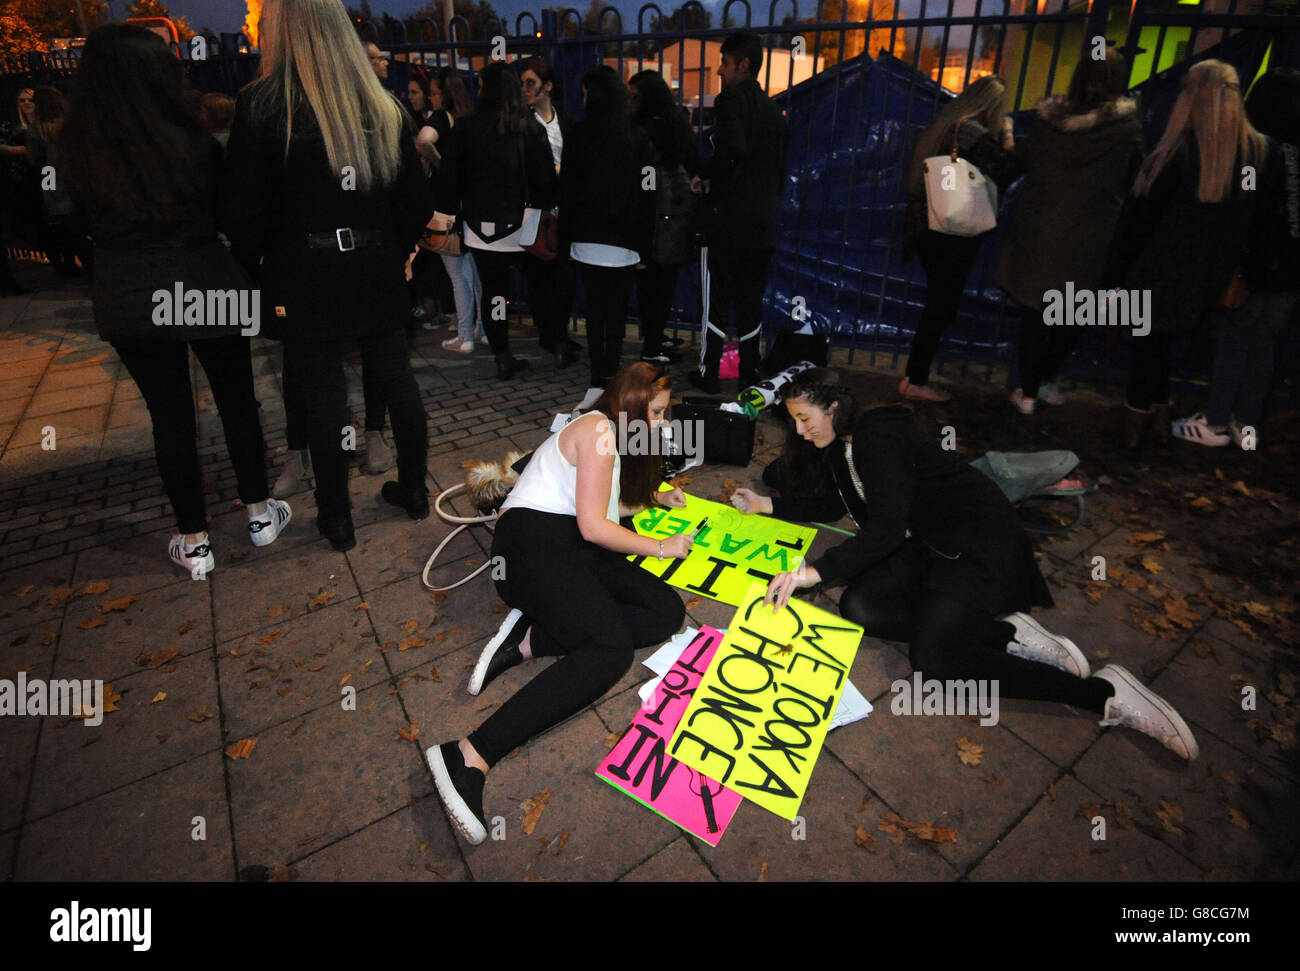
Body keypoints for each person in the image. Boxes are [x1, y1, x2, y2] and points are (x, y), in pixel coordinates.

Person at [732, 369, 1198, 761]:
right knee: (862, 607)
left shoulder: (879, 437)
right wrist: (766, 506)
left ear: (832, 408)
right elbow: (833, 501)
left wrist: (812, 573)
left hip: (975, 541)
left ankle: (1106, 694)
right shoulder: (841, 445)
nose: (800, 431)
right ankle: (1008, 635)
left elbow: (887, 530)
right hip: (931, 544)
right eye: (794, 421)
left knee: (936, 663)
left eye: (803, 419)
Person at [59, 24, 291, 576]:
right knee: (237, 399)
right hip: (204, 278)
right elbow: (230, 214)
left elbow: (65, 228)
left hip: (130, 288)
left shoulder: (78, 149)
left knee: (170, 416)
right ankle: (259, 514)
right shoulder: (192, 139)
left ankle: (194, 541)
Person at [426, 362, 691, 845]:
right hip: (529, 544)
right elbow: (593, 526)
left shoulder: (606, 433)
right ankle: (468, 754)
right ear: (631, 405)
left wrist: (653, 500)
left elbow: (598, 509)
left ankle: (529, 639)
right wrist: (661, 547)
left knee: (665, 612)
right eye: (655, 411)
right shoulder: (597, 430)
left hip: (567, 540)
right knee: (608, 649)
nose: (662, 422)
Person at [223, 0, 432, 551]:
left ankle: (336, 519)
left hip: (306, 273)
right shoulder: (381, 106)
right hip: (374, 267)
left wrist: (269, 262)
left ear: (283, 33)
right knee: (395, 380)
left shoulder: (263, 106)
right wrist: (395, 251)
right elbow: (414, 198)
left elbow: (242, 211)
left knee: (323, 399)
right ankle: (413, 489)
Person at [1106, 60, 1270, 450]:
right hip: (1204, 277)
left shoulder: (1171, 158)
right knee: (1161, 351)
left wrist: (1111, 283)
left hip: (1156, 274)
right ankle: (1158, 423)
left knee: (1147, 351)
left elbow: (1134, 230)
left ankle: (1133, 431)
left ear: (1191, 98)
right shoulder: (1256, 155)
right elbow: (1253, 221)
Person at [994, 46, 1143, 415]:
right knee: (1071, 313)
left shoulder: (1050, 121)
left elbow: (1022, 159)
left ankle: (1026, 393)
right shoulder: (1125, 129)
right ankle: (1043, 381)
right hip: (1091, 236)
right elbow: (1137, 178)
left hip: (1040, 230)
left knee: (1035, 312)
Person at [1170, 67, 1300, 448]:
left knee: (1232, 342)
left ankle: (1215, 422)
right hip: (1292, 272)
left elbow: (1246, 206)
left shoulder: (1257, 152)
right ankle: (1247, 426)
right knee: (1264, 346)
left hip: (1254, 266)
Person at [901, 75, 1022, 403]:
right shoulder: (972, 131)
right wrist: (1008, 132)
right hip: (952, 233)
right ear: (991, 106)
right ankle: (916, 378)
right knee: (941, 307)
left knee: (939, 304)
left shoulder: (944, 125)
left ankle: (915, 375)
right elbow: (1008, 168)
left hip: (929, 227)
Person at [434, 60, 557, 380]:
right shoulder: (528, 126)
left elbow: (449, 178)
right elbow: (545, 181)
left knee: (494, 291)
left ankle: (502, 354)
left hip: (479, 227)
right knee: (539, 285)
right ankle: (552, 341)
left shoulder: (466, 127)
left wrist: (454, 210)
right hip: (523, 224)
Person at [688, 30, 788, 395]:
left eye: (725, 63)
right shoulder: (773, 110)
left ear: (743, 65)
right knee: (750, 301)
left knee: (715, 300)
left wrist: (706, 177)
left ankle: (709, 373)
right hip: (762, 224)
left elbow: (732, 148)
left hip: (729, 222)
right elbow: (779, 167)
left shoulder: (731, 99)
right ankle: (749, 371)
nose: (719, 71)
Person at [561, 66, 656, 402]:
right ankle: (609, 377)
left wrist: (565, 239)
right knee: (615, 314)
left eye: (586, 93)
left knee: (595, 312)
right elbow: (649, 193)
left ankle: (597, 379)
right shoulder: (639, 136)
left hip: (587, 239)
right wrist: (646, 246)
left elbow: (567, 191)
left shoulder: (578, 134)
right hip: (624, 243)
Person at [629, 69, 701, 366]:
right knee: (663, 282)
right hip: (674, 212)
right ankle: (655, 339)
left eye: (634, 96)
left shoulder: (642, 128)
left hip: (654, 213)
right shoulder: (675, 123)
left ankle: (653, 339)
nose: (630, 101)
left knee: (651, 281)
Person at [416, 68, 485, 353]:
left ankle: (465, 335)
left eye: (433, 92)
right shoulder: (468, 119)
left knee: (457, 274)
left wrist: (439, 164)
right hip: (469, 205)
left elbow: (423, 140)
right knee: (475, 273)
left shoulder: (441, 117)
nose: (431, 98)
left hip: (445, 207)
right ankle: (483, 329)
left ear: (443, 93)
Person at [519, 56, 581, 368]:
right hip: (538, 212)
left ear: (548, 86)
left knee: (565, 277)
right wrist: (556, 172)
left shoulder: (565, 120)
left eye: (531, 83)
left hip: (565, 211)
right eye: (523, 84)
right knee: (541, 277)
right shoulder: (523, 124)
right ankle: (553, 337)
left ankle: (557, 336)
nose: (526, 89)